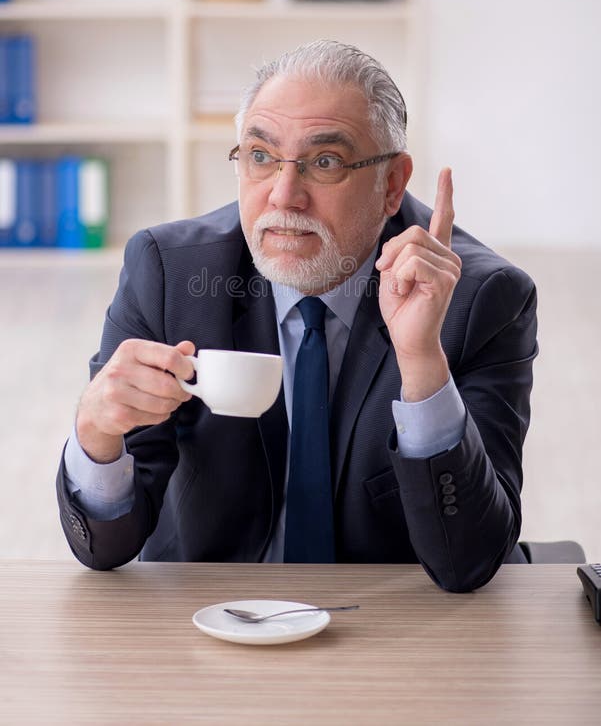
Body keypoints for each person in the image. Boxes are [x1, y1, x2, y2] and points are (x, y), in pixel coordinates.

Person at [56, 40, 537, 592]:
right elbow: (107, 547)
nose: (284, 197)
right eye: (260, 157)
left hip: (391, 624)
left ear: (392, 185)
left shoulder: (482, 297)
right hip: (216, 616)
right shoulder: (168, 271)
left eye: (325, 162)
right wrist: (96, 435)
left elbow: (470, 562)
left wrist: (422, 362)